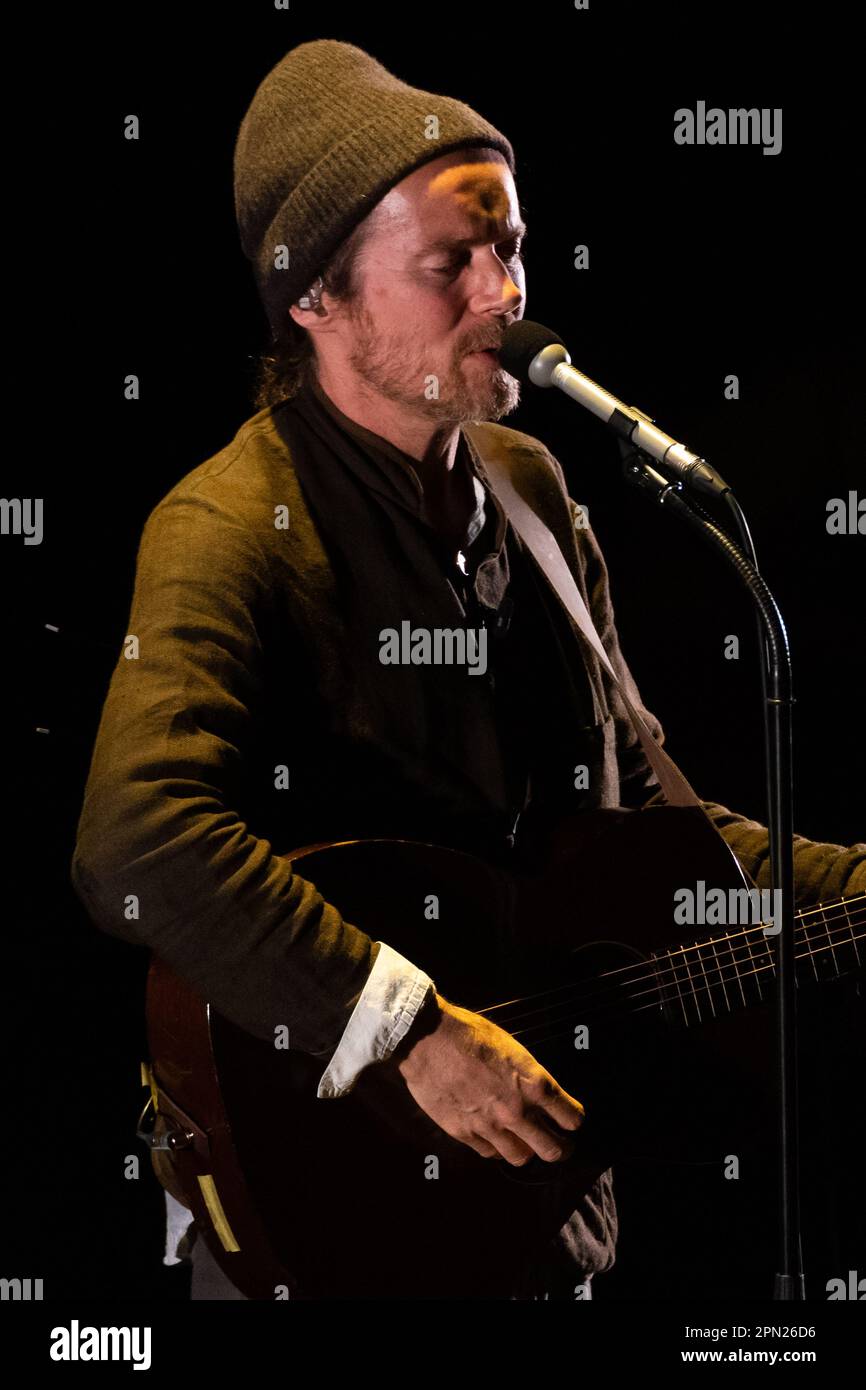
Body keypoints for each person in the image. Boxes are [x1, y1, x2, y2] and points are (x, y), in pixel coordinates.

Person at [71, 39, 865, 1301]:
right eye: (454, 263)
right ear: (315, 300)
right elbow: (134, 838)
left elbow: (653, 828)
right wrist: (412, 1035)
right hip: (321, 1209)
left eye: (513, 248)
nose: (505, 293)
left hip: (543, 1204)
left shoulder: (534, 489)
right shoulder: (226, 524)